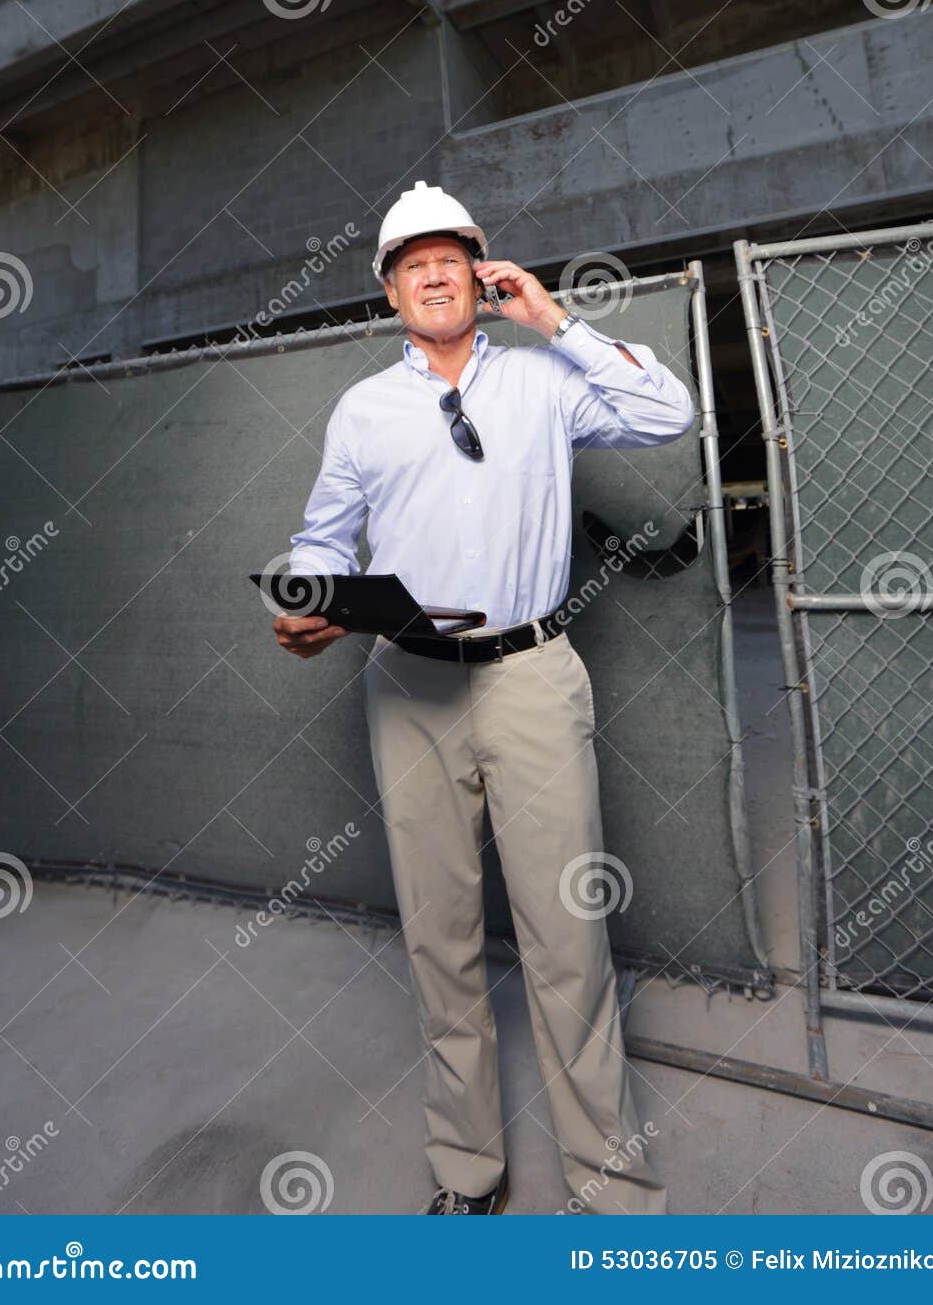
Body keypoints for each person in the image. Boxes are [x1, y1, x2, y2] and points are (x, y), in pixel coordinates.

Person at [274, 181, 694, 1215]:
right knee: (439, 937)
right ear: (387, 290)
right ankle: (468, 1173)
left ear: (479, 271)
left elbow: (668, 413)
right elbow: (324, 537)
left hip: (530, 679)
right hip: (405, 685)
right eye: (408, 261)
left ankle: (612, 1189)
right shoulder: (362, 410)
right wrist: (305, 598)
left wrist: (553, 318)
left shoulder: (545, 380)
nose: (429, 272)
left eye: (447, 255)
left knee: (566, 935)